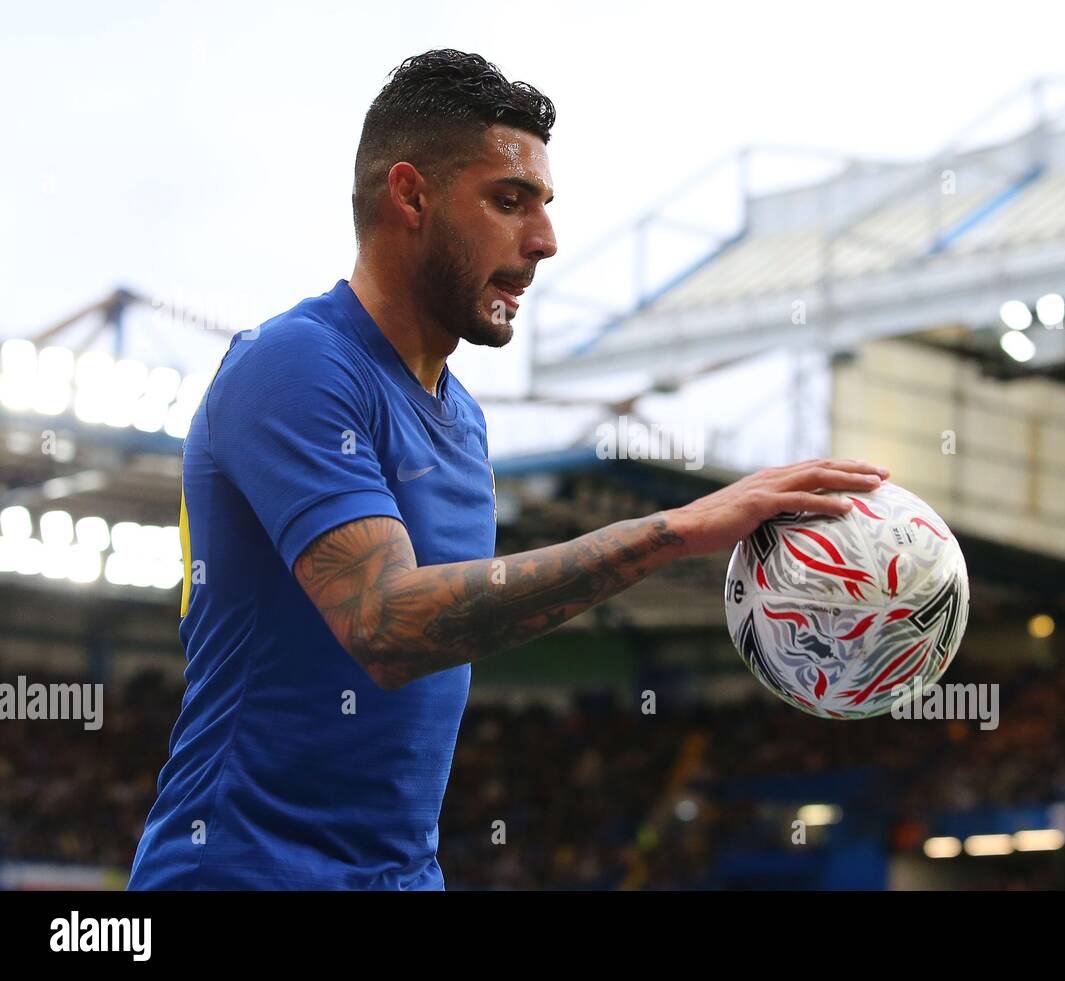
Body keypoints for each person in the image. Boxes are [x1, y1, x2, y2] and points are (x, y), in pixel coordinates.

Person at [128, 48, 889, 890]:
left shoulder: (463, 422)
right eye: (509, 200)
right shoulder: (297, 364)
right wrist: (672, 531)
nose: (546, 240)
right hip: (242, 872)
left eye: (546, 207)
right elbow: (386, 625)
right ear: (410, 195)